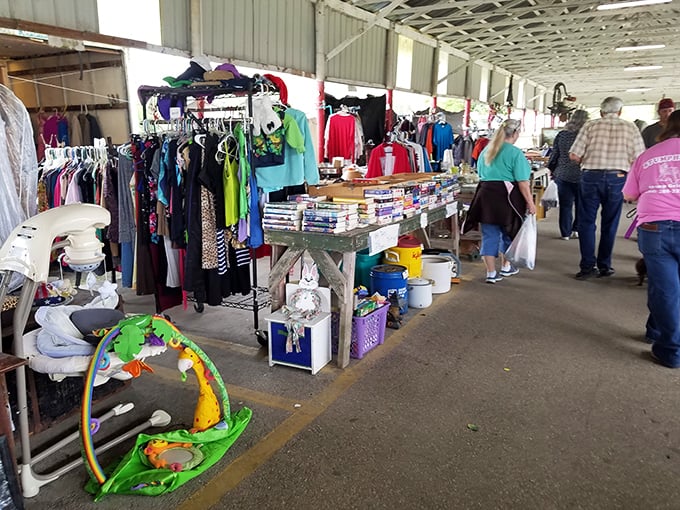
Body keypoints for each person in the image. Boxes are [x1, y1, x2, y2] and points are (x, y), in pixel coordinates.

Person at [622, 110, 680, 368]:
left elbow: (630, 194)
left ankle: (669, 347)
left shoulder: (647, 156)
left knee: (664, 289)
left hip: (655, 227)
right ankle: (661, 335)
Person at [569, 96, 645, 279]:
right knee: (610, 223)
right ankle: (605, 266)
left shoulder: (590, 125)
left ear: (602, 111)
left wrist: (587, 160)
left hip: (591, 176)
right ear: (620, 111)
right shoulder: (630, 127)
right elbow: (639, 158)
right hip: (618, 178)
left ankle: (587, 267)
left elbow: (573, 155)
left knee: (586, 222)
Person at [463, 119, 536, 284]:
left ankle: (491, 273)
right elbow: (523, 182)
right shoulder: (515, 153)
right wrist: (531, 203)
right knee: (510, 232)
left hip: (486, 198)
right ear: (516, 134)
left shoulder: (486, 151)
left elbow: (481, 175)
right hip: (507, 199)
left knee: (489, 235)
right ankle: (506, 266)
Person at [548, 109, 589, 240]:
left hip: (563, 174)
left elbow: (555, 154)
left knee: (565, 205)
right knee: (581, 204)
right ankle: (576, 229)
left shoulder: (562, 135)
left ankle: (565, 233)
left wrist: (551, 168)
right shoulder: (587, 135)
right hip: (582, 174)